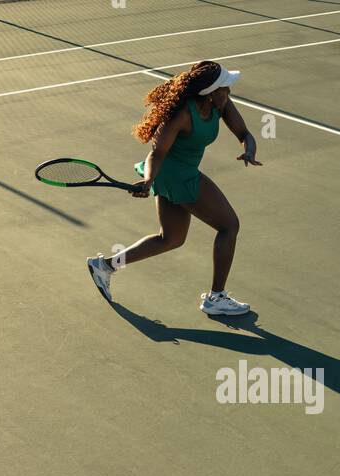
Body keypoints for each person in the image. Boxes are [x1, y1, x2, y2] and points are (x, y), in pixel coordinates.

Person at [87, 61, 262, 315]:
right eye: (225, 87)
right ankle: (216, 298)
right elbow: (156, 154)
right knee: (229, 225)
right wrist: (148, 180)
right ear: (211, 92)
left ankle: (105, 266)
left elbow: (244, 133)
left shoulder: (220, 103)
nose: (230, 91)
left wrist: (249, 148)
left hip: (176, 174)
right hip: (175, 174)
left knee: (171, 238)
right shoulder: (182, 115)